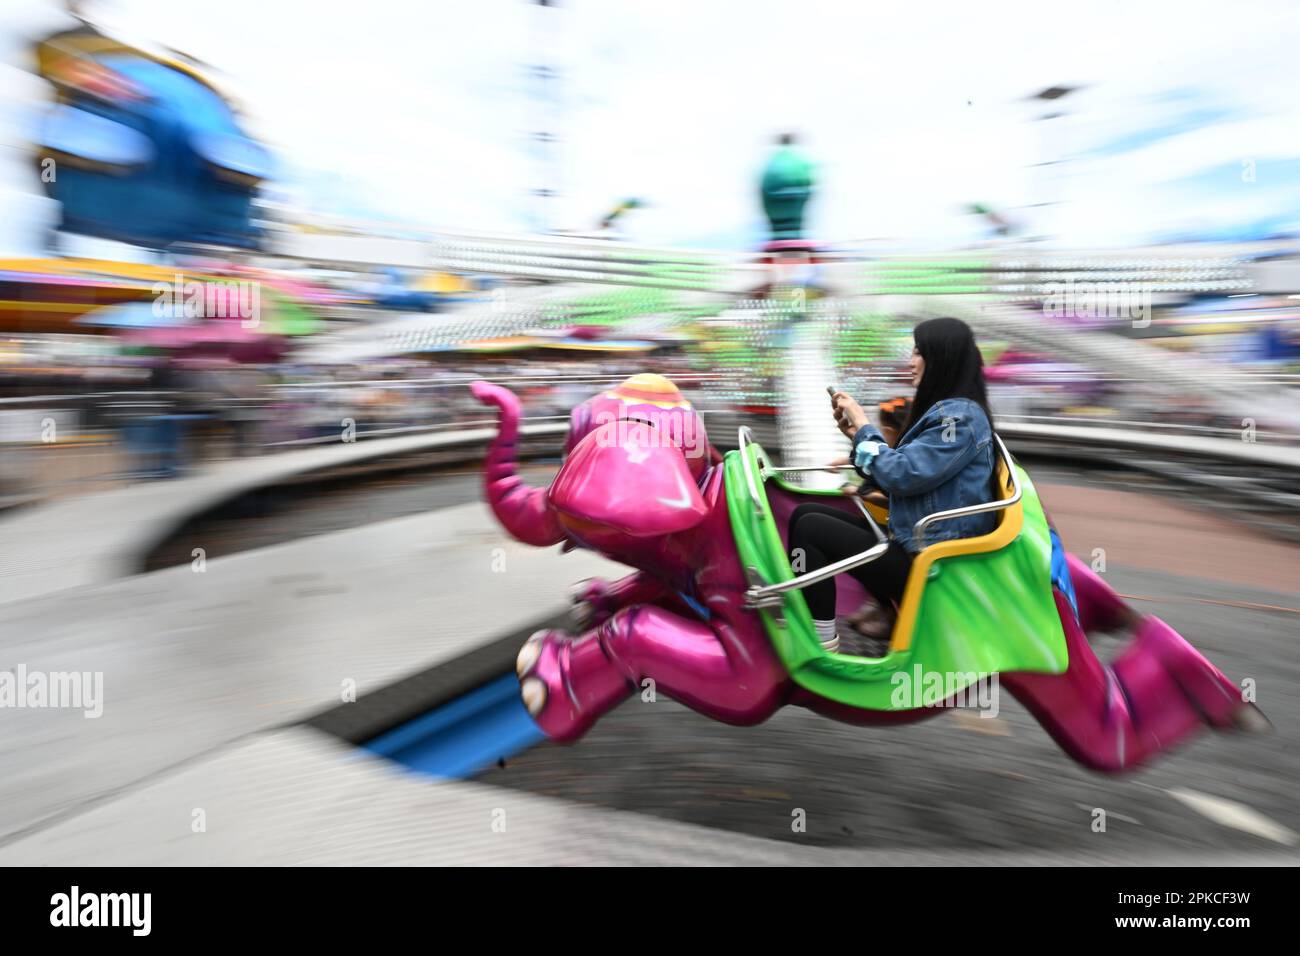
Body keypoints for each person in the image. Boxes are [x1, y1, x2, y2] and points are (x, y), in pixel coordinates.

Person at [787, 317, 997, 652]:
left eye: (918, 352)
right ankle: (809, 615)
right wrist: (857, 437)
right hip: (913, 541)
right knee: (806, 512)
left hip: (932, 562)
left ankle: (820, 640)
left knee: (812, 528)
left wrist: (864, 426)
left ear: (940, 357)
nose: (911, 362)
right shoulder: (947, 413)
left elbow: (902, 475)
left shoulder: (958, 419)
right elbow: (899, 472)